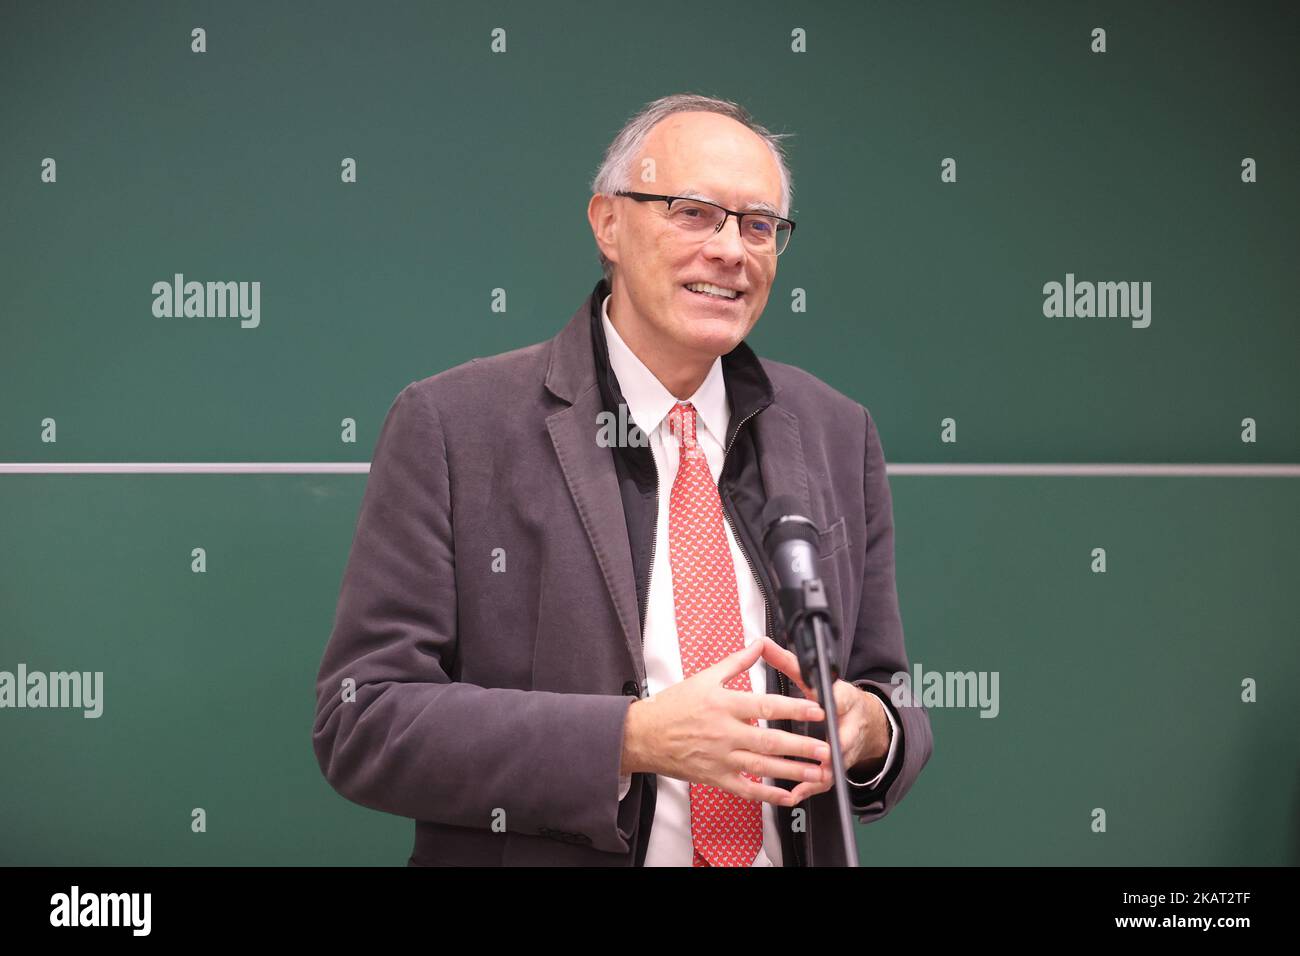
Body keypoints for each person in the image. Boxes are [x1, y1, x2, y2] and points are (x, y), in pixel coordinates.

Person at [312, 93, 932, 866]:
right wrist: (629, 740)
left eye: (759, 225)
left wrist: (870, 728)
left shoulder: (837, 431)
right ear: (608, 224)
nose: (732, 250)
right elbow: (363, 721)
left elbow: (891, 695)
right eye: (695, 212)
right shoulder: (455, 425)